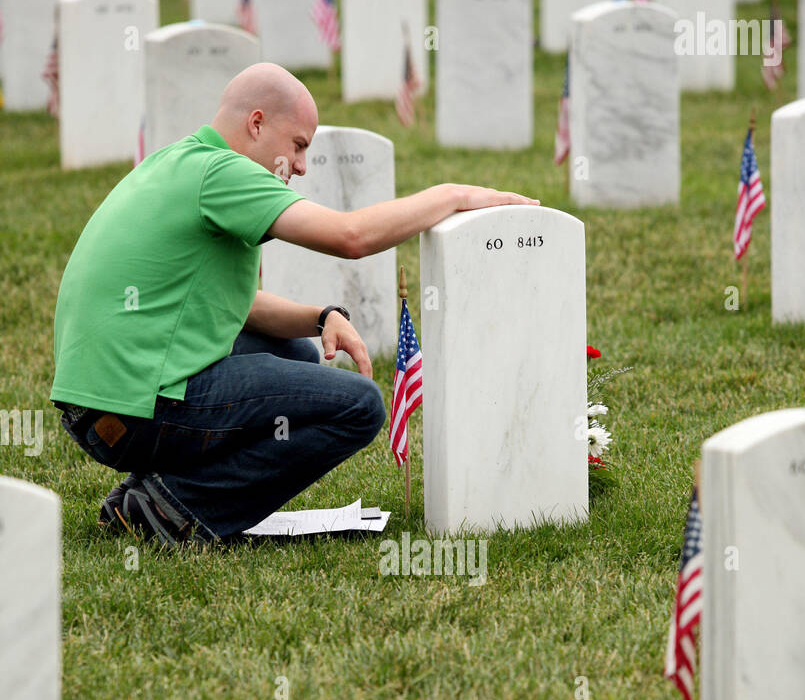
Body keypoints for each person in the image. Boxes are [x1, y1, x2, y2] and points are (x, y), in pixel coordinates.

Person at [52, 63, 539, 545]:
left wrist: (321, 317)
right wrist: (453, 194)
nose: (303, 165)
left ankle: (150, 495)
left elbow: (229, 305)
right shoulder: (224, 173)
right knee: (359, 406)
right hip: (132, 411)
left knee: (297, 353)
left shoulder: (178, 161)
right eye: (299, 145)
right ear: (257, 123)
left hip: (100, 406)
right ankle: (174, 509)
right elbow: (351, 237)